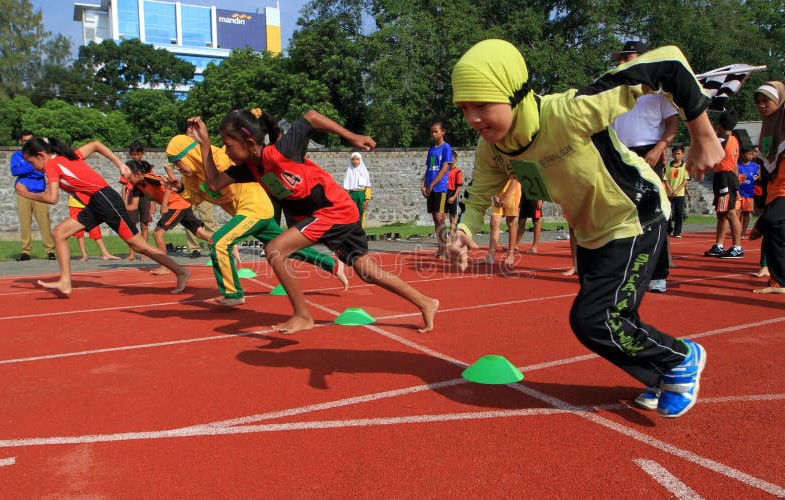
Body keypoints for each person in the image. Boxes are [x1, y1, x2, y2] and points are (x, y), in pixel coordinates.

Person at [449, 39, 724, 418]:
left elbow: (669, 61)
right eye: (464, 108)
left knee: (594, 318)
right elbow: (480, 193)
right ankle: (660, 375)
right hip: (593, 230)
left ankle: (681, 357)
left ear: (514, 94)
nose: (473, 119)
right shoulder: (493, 148)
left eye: (482, 105)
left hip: (635, 215)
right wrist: (464, 230)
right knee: (607, 319)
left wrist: (703, 134)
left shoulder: (571, 111)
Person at [193, 108, 438, 334]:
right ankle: (426, 302)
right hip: (330, 215)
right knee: (366, 272)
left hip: (334, 210)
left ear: (248, 143)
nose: (225, 152)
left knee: (275, 250)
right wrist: (204, 144)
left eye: (228, 146)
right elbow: (214, 184)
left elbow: (311, 116)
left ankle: (303, 315)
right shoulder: (249, 168)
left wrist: (351, 136)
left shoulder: (281, 151)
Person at [165, 133, 349, 306]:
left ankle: (234, 293)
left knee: (219, 242)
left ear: (190, 155)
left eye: (178, 162)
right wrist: (180, 189)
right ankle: (332, 264)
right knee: (283, 248)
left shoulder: (217, 158)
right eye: (174, 165)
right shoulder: (190, 179)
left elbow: (222, 183)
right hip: (251, 212)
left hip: (254, 208)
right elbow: (196, 198)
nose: (177, 167)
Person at [16, 138, 191, 294]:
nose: (32, 167)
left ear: (40, 155)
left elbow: (52, 198)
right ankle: (65, 281)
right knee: (59, 233)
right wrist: (118, 164)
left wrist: (26, 193)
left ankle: (180, 271)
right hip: (96, 202)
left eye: (31, 163)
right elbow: (95, 144)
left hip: (105, 200)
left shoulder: (52, 165)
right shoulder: (68, 156)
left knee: (139, 246)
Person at [611, 41, 679, 293]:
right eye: (621, 58)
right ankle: (624, 271)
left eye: (628, 58)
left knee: (652, 213)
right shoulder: (616, 91)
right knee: (622, 213)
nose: (622, 62)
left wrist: (658, 149)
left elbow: (672, 124)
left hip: (650, 152)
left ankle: (658, 274)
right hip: (621, 154)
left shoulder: (659, 92)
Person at [124, 160, 213, 275]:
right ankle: (225, 242)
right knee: (200, 233)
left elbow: (168, 184)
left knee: (157, 233)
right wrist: (117, 207)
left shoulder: (148, 177)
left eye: (128, 174)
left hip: (176, 204)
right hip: (182, 205)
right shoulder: (137, 186)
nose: (126, 178)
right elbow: (133, 206)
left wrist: (164, 205)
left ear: (137, 173)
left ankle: (165, 267)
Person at [748, 82, 785, 294]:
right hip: (773, 187)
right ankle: (778, 282)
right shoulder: (768, 125)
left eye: (766, 101)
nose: (762, 106)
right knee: (777, 238)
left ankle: (760, 226)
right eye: (758, 102)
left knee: (770, 223)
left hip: (784, 189)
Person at [704, 110, 744, 259]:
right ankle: (719, 245)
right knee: (721, 213)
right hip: (727, 176)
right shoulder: (733, 139)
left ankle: (737, 247)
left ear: (720, 124)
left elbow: (708, 147)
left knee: (730, 212)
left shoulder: (721, 139)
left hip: (725, 177)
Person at [10, 130, 55, 261]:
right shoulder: (17, 155)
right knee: (25, 222)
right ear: (20, 141)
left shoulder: (39, 155)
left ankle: (50, 250)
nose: (28, 143)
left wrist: (26, 167)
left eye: (30, 140)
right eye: (25, 141)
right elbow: (15, 170)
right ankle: (25, 251)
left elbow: (41, 173)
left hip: (39, 191)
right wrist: (32, 166)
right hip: (22, 191)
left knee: (44, 222)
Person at [421, 121, 453, 257]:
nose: (433, 134)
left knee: (440, 218)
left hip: (440, 188)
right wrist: (423, 184)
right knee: (435, 218)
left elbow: (444, 168)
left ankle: (443, 248)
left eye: (436, 131)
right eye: (432, 132)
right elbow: (430, 168)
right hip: (430, 188)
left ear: (443, 132)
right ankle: (440, 248)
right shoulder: (432, 149)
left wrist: (432, 184)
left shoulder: (446, 148)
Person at [121, 141, 155, 261]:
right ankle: (131, 253)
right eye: (134, 154)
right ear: (130, 154)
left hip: (145, 196)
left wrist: (153, 203)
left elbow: (152, 186)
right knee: (131, 225)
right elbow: (124, 186)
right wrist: (123, 201)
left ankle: (144, 252)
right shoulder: (127, 166)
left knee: (144, 224)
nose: (136, 156)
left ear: (143, 153)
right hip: (132, 195)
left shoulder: (147, 166)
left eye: (138, 154)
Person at [67, 195, 120, 261]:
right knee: (79, 230)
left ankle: (105, 253)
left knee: (94, 228)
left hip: (88, 203)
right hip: (75, 204)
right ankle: (84, 255)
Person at [482, 177, 520, 267]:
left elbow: (515, 177)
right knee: (494, 223)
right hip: (498, 191)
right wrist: (494, 195)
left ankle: (510, 254)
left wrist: (507, 196)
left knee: (510, 222)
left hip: (512, 191)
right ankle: (491, 256)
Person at [662, 146, 690, 238]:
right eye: (674, 153)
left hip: (680, 194)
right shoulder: (668, 166)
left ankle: (677, 232)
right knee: (668, 212)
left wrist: (677, 190)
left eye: (678, 154)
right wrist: (670, 190)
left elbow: (685, 180)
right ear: (672, 154)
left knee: (679, 212)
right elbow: (665, 179)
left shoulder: (685, 166)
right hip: (669, 193)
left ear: (682, 154)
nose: (676, 156)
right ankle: (668, 229)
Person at [343, 152, 372, 227]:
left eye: (357, 159)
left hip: (361, 194)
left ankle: (361, 229)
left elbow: (368, 185)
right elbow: (346, 186)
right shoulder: (349, 171)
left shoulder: (364, 171)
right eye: (353, 159)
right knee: (351, 213)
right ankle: (352, 230)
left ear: (360, 160)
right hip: (351, 195)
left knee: (361, 212)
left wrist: (367, 199)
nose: (355, 161)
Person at [737, 147, 760, 239]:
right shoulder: (737, 165)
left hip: (749, 193)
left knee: (747, 213)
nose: (751, 156)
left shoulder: (755, 166)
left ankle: (743, 233)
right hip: (738, 192)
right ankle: (736, 231)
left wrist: (751, 179)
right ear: (742, 154)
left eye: (752, 154)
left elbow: (757, 175)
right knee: (736, 212)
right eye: (749, 154)